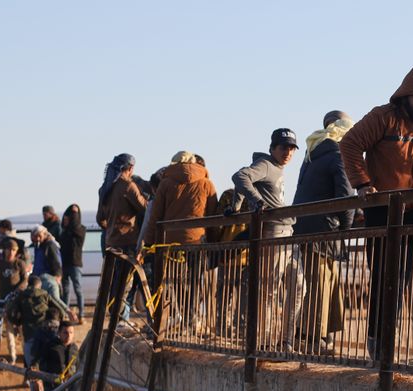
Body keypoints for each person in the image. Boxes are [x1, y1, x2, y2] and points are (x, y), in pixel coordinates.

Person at [339, 64, 413, 362]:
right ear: (404, 98)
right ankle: (380, 343)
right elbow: (349, 144)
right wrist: (362, 184)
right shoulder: (383, 117)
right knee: (389, 277)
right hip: (384, 207)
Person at [292, 111, 357, 354]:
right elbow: (345, 195)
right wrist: (348, 227)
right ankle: (312, 340)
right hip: (324, 228)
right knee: (320, 283)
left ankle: (321, 336)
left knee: (325, 281)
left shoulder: (313, 151)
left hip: (305, 225)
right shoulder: (340, 154)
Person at [233, 129, 302, 350]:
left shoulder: (276, 169)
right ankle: (262, 343)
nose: (288, 152)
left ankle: (285, 340)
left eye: (292, 148)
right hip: (274, 233)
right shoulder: (266, 165)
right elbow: (240, 176)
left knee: (299, 286)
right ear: (273, 148)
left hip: (287, 234)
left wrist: (235, 205)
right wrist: (255, 201)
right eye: (283, 147)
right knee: (269, 290)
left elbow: (244, 180)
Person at [140, 150, 218, 331]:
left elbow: (155, 216)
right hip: (197, 240)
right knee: (195, 279)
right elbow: (214, 216)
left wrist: (149, 242)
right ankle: (191, 318)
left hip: (169, 242)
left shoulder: (165, 183)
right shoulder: (207, 183)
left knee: (174, 280)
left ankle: (182, 315)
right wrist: (214, 241)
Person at [96, 153, 147, 319]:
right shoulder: (127, 186)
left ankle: (115, 320)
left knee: (113, 284)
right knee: (126, 284)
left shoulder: (105, 188)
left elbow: (100, 219)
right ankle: (121, 320)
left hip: (111, 242)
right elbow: (145, 209)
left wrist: (111, 228)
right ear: (130, 168)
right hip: (128, 241)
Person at [0, 239, 30, 363]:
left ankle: (26, 356)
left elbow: (25, 280)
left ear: (17, 251)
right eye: (9, 249)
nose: (11, 252)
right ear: (5, 250)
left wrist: (18, 290)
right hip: (4, 300)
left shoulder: (20, 264)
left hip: (18, 301)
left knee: (22, 330)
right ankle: (12, 355)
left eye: (13, 250)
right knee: (8, 329)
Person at [58, 204, 88, 323]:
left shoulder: (81, 230)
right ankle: (66, 314)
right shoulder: (64, 232)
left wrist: (72, 217)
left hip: (75, 264)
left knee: (78, 290)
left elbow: (75, 226)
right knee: (65, 292)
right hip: (64, 264)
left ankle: (81, 315)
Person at [30, 226, 64, 306]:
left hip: (49, 279)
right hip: (39, 278)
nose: (37, 238)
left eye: (39, 236)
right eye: (35, 236)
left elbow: (56, 261)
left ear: (44, 234)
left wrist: (57, 275)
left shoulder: (50, 245)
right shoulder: (38, 246)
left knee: (53, 301)